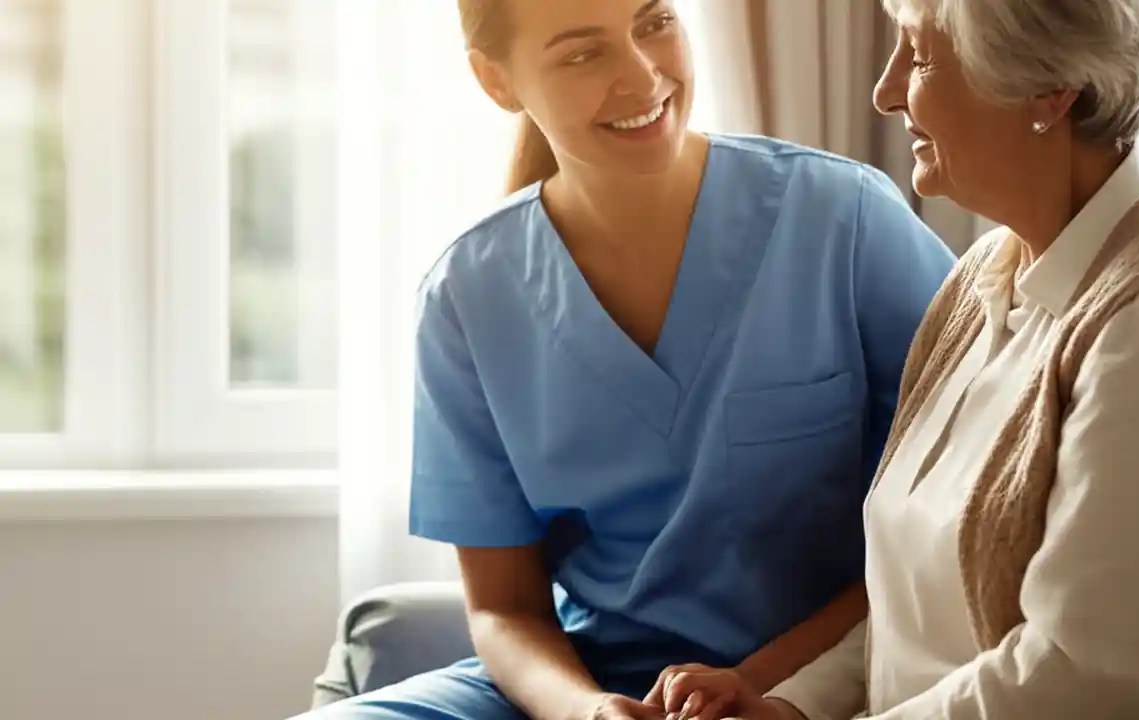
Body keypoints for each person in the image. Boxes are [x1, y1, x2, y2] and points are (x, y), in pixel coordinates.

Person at [303, 0, 954, 718]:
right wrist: (587, 711)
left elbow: (958, 513)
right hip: (594, 685)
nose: (642, 75)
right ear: (498, 82)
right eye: (584, 54)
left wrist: (757, 684)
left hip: (827, 676)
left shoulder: (844, 220)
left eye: (655, 24)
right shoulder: (468, 295)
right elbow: (503, 611)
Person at [653, 0, 1139, 717]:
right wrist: (789, 705)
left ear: (1049, 91)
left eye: (919, 58)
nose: (886, 92)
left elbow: (1078, 676)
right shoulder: (992, 267)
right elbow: (920, 613)